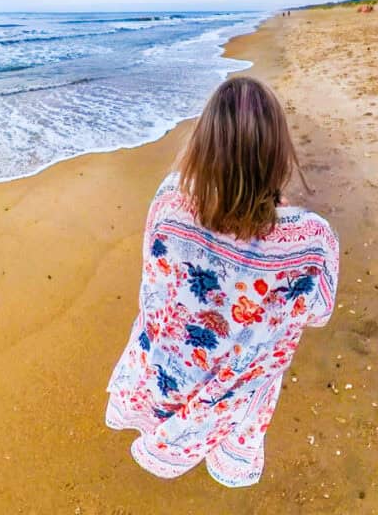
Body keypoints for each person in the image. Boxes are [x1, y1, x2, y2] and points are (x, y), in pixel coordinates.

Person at [105, 76, 339, 488]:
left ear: (203, 146)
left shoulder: (167, 201)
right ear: (277, 152)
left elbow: (155, 281)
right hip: (236, 393)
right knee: (229, 434)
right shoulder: (311, 241)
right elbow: (317, 313)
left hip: (166, 373)